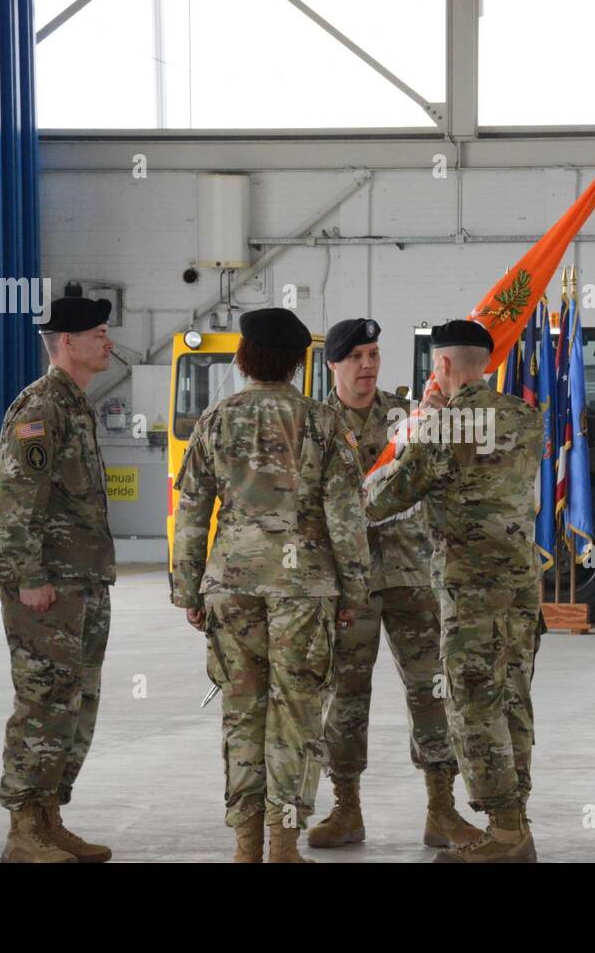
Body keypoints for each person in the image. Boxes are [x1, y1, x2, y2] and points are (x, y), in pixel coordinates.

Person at [171, 307, 370, 864]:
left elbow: (191, 510)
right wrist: (354, 592)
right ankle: (283, 844)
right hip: (303, 590)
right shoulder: (323, 422)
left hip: (231, 586)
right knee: (296, 715)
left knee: (241, 713)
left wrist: (188, 588)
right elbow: (347, 519)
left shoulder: (214, 419)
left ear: (244, 357)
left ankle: (244, 847)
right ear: (298, 361)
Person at [365, 319, 542, 863]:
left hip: (470, 592)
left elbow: (380, 498)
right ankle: (519, 822)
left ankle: (506, 830)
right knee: (512, 697)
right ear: (484, 361)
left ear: (440, 366)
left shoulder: (444, 426)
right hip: (521, 587)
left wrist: (424, 421)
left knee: (472, 703)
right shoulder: (525, 417)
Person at [309, 317, 480, 850]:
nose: (367, 364)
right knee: (345, 697)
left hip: (412, 575)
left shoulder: (407, 417)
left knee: (432, 692)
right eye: (356, 355)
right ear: (332, 364)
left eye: (374, 353)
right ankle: (346, 809)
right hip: (347, 584)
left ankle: (442, 809)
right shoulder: (315, 423)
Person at [0, 287, 116, 863]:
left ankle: (50, 817)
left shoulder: (75, 404)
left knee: (74, 702)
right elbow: (16, 499)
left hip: (81, 580)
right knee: (43, 702)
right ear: (67, 342)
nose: (107, 342)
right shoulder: (41, 407)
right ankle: (23, 829)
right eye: (97, 335)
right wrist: (27, 575)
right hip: (48, 585)